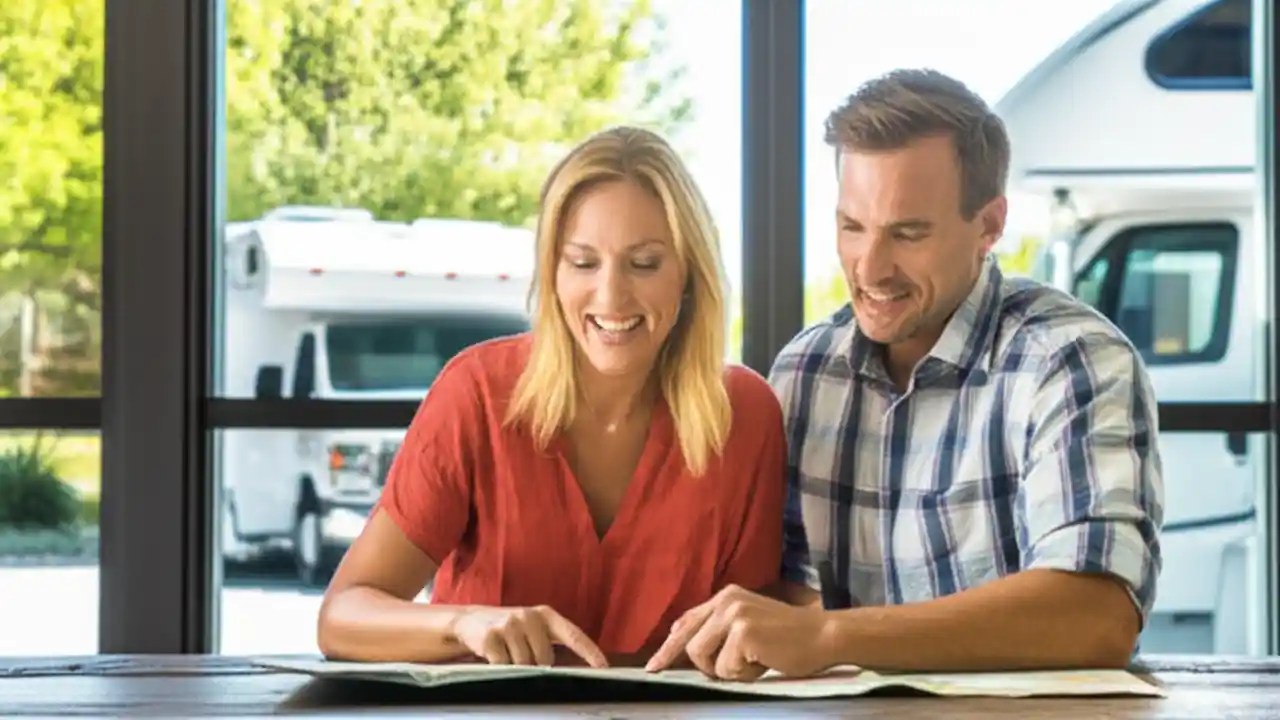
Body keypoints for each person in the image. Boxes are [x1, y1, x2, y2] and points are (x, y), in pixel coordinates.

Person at [645, 68, 1164, 680]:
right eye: (851, 227)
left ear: (990, 225)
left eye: (909, 233)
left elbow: (1097, 615)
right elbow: (786, 599)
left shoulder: (1069, 360)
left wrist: (834, 633)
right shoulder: (803, 375)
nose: (871, 267)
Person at [316, 126, 787, 668]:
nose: (611, 295)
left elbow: (750, 634)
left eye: (645, 263)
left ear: (688, 276)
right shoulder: (476, 393)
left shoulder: (746, 415)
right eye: (583, 263)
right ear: (553, 272)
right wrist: (463, 622)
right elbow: (342, 617)